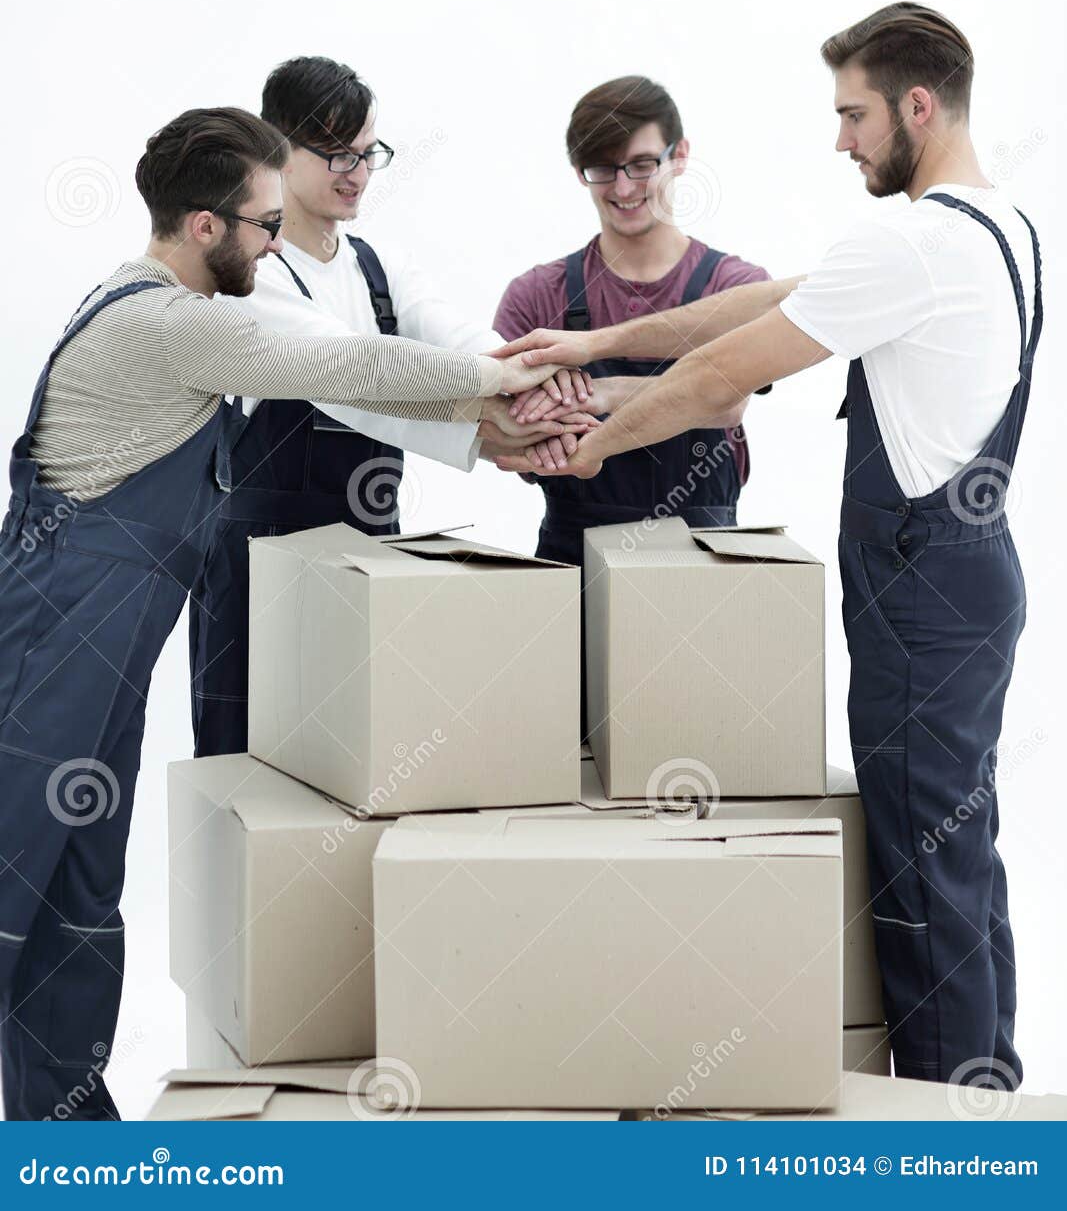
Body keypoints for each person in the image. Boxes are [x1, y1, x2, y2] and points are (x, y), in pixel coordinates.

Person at [494, 5, 1041, 1090]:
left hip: (920, 591)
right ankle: (986, 1095)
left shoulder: (910, 237)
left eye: (852, 114)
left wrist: (587, 447)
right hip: (967, 576)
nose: (840, 139)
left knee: (922, 865)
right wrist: (601, 342)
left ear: (914, 107)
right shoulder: (997, 226)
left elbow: (718, 375)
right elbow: (766, 303)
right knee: (954, 852)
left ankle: (945, 1127)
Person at [0, 106, 552, 1121]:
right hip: (48, 643)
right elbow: (338, 364)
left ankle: (66, 1146)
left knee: (75, 900)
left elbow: (349, 365)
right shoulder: (165, 322)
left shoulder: (169, 308)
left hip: (107, 654)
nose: (271, 240)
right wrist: (496, 380)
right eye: (260, 223)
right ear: (204, 226)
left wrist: (486, 422)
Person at [190, 58, 593, 756]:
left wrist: (530, 383)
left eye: (368, 151)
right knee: (245, 765)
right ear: (276, 149)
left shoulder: (379, 265)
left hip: (369, 555)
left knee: (357, 753)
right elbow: (352, 377)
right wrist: (486, 424)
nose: (357, 172)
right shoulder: (254, 274)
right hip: (259, 573)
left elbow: (457, 339)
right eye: (336, 153)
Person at [493, 75, 770, 567]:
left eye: (642, 165)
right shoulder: (537, 297)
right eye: (602, 168)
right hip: (570, 566)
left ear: (680, 155)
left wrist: (594, 397)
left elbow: (726, 403)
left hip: (701, 564)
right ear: (580, 172)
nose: (623, 188)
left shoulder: (735, 289)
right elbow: (501, 427)